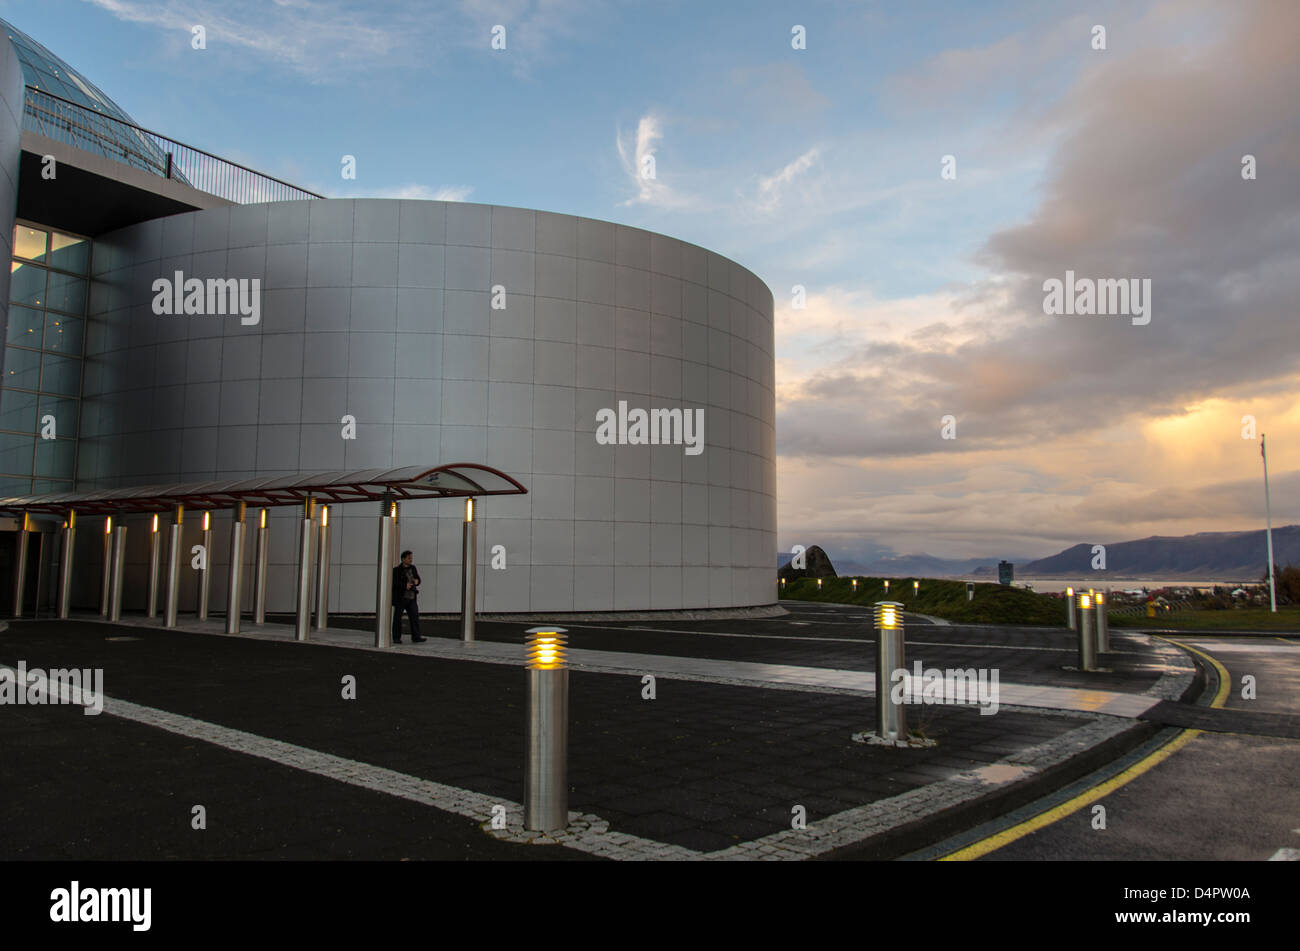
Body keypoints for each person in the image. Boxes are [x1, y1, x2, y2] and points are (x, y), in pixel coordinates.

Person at [392, 550, 425, 643]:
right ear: (403, 559)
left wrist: (417, 581)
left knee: (414, 617)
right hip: (401, 598)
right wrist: (404, 585)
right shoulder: (396, 570)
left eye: (411, 558)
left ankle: (416, 636)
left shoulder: (413, 568)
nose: (411, 560)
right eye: (409, 558)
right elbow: (394, 583)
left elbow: (418, 579)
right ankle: (396, 637)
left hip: (411, 597)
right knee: (397, 618)